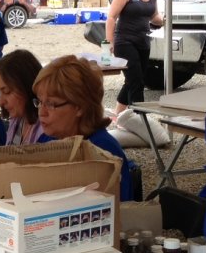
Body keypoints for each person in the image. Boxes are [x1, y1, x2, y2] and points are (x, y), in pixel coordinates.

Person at [33, 55, 135, 201]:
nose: (41, 112)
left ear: (80, 106)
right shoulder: (47, 139)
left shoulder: (102, 150)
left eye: (51, 104)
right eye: (40, 102)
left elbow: (110, 214)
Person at [106, 0, 163, 113]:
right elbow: (111, 17)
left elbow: (154, 15)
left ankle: (118, 114)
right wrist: (109, 42)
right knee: (137, 81)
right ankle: (139, 118)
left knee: (133, 79)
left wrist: (164, 20)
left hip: (143, 42)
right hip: (125, 42)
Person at [0, 49, 45, 146]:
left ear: (27, 86)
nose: (1, 101)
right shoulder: (17, 120)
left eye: (7, 91)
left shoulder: (47, 128)